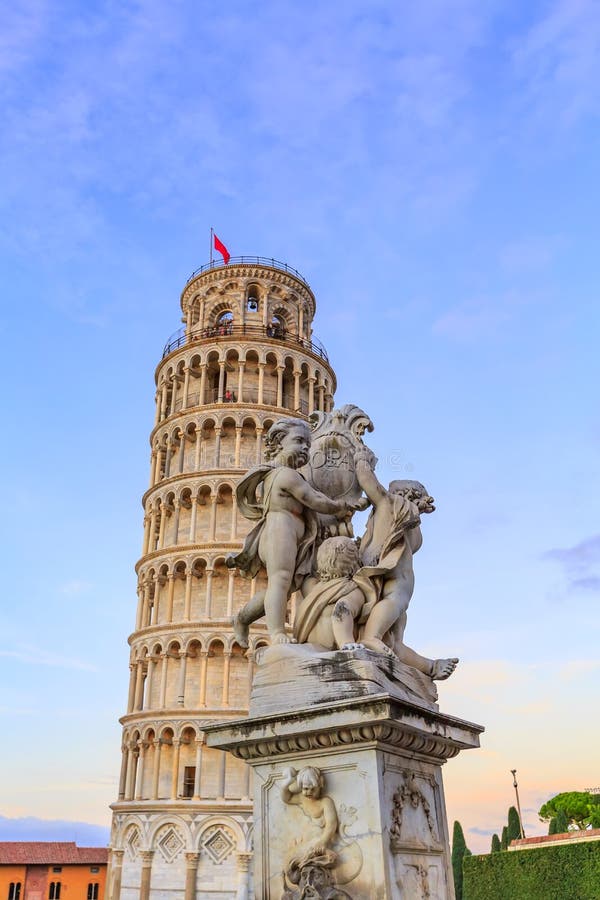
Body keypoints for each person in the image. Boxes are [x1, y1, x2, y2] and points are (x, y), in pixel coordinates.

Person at [228, 419, 353, 645]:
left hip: (296, 535)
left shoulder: (288, 474)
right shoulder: (285, 475)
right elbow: (315, 500)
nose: (305, 447)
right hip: (280, 530)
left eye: (307, 443)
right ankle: (276, 633)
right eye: (298, 441)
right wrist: (342, 506)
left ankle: (242, 618)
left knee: (282, 587)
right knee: (281, 579)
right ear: (279, 443)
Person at [355, 451, 458, 680]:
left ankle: (427, 665)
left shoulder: (399, 513)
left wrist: (363, 460)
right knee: (393, 624)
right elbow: (371, 485)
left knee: (393, 640)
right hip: (397, 581)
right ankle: (374, 638)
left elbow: (368, 482)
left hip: (396, 582)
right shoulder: (400, 515)